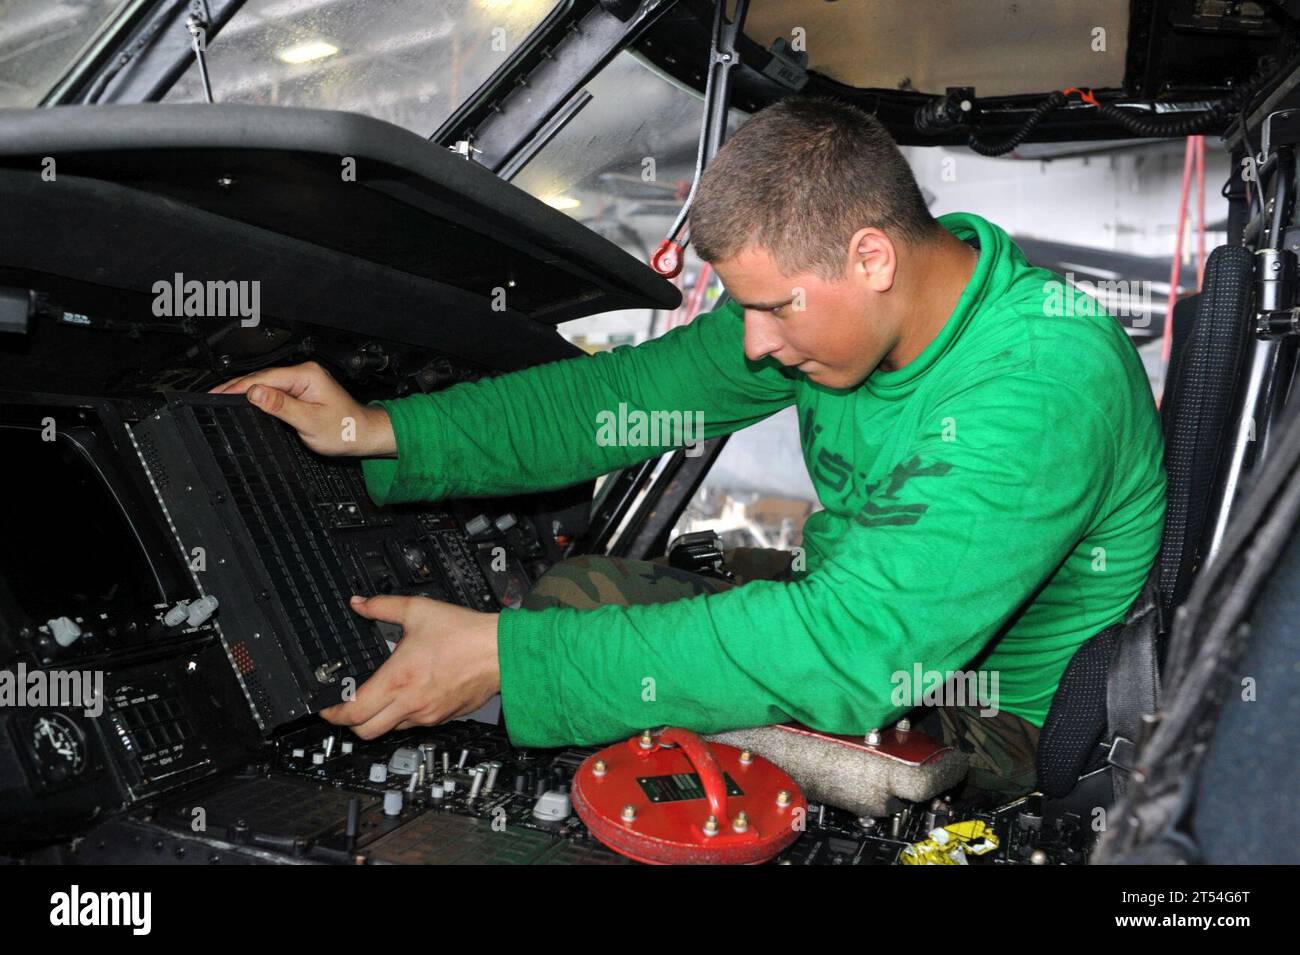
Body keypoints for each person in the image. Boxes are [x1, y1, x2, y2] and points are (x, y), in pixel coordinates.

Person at [211, 96, 1166, 803]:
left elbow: (859, 653)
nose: (753, 344)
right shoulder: (830, 308)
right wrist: (383, 429)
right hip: (885, 630)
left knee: (574, 608)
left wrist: (512, 657)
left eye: (771, 307)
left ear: (872, 257)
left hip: (999, 726)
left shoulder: (1041, 379)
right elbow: (621, 397)